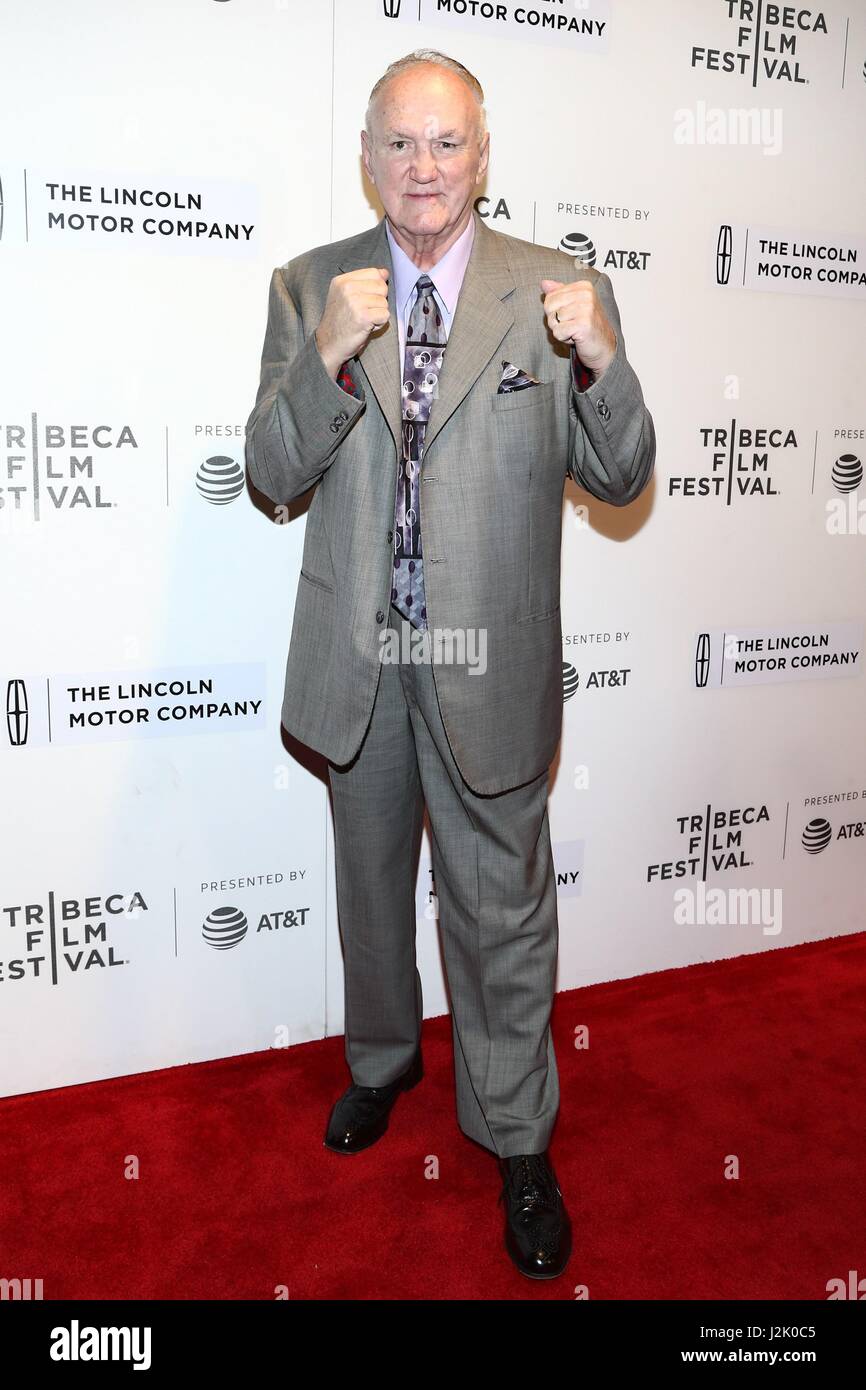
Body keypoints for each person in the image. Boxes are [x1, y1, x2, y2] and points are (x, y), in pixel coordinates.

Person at [245, 47, 655, 1280]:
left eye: (448, 142)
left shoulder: (554, 290)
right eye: (400, 143)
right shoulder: (309, 284)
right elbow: (269, 474)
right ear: (366, 156)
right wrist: (320, 355)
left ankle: (516, 1137)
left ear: (483, 156)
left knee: (501, 912)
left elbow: (623, 472)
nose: (423, 167)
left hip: (493, 660)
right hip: (358, 653)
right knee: (370, 892)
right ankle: (382, 1062)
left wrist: (599, 361)